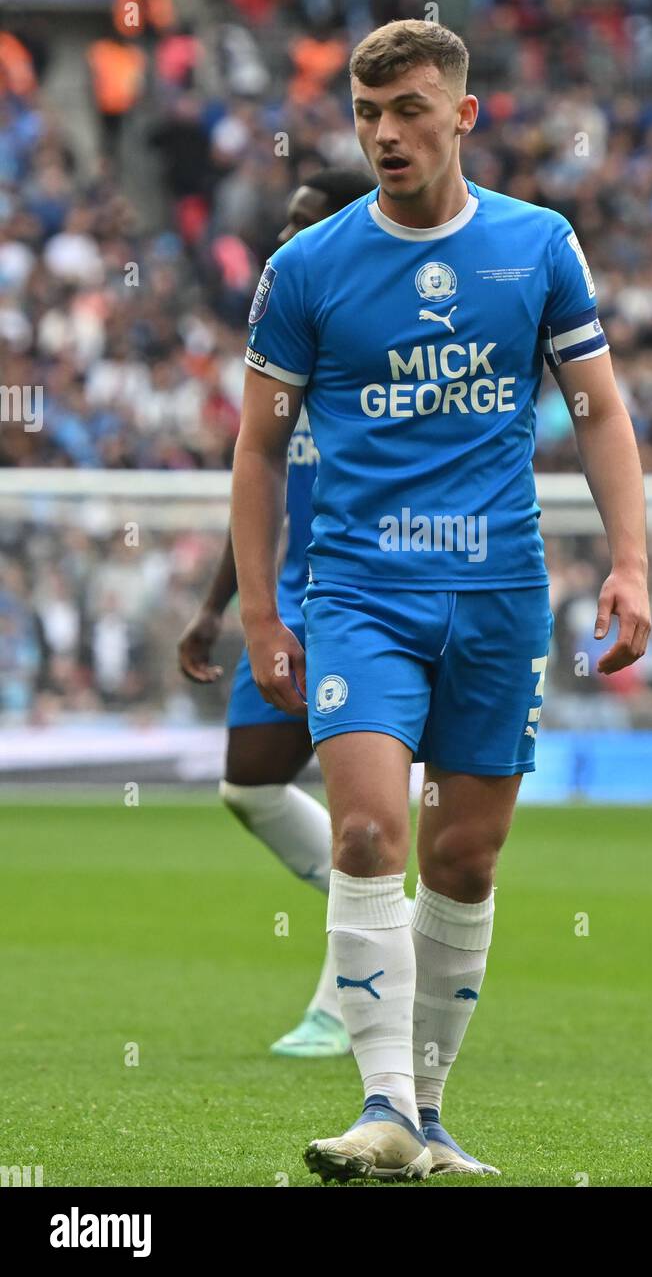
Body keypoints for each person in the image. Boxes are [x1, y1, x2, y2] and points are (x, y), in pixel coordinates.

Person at [231, 20, 651, 1181]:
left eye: (409, 109)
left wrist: (630, 562)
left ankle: (424, 1113)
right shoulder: (306, 269)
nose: (384, 134)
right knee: (367, 829)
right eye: (367, 115)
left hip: (501, 593)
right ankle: (378, 1101)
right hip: (361, 592)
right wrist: (263, 615)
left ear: (462, 115)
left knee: (463, 857)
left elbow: (601, 411)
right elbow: (258, 452)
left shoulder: (537, 246)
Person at [178, 168, 374, 1058]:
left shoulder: (372, 341)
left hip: (365, 597)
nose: (286, 237)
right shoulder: (284, 336)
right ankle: (386, 917)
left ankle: (346, 1002)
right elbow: (259, 483)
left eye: (306, 221)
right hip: (285, 600)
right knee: (249, 784)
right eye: (285, 221)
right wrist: (219, 605)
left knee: (356, 810)